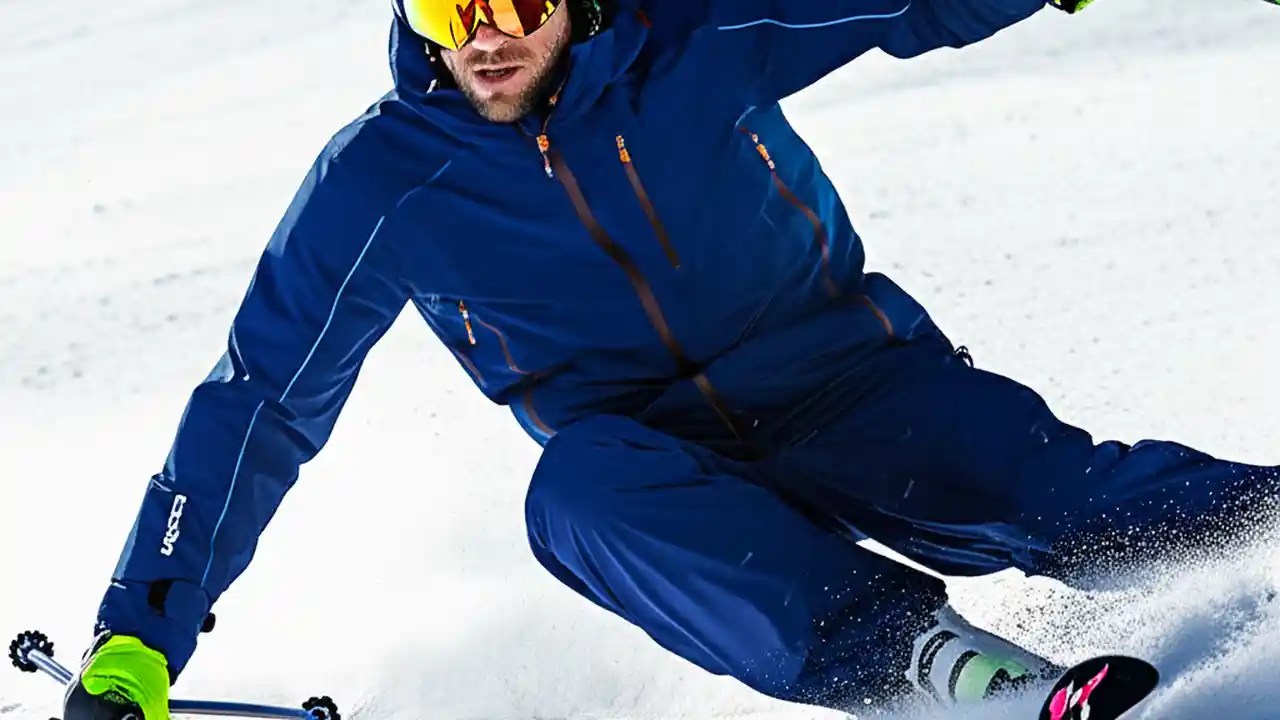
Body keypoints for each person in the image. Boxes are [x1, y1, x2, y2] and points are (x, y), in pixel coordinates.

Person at [63, 0, 1279, 717]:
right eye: (447, 7)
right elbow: (259, 402)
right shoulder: (385, 180)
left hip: (855, 387)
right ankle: (936, 669)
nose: (483, 37)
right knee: (574, 495)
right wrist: (139, 628)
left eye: (514, 0)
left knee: (1075, 504)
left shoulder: (688, 38)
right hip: (667, 485)